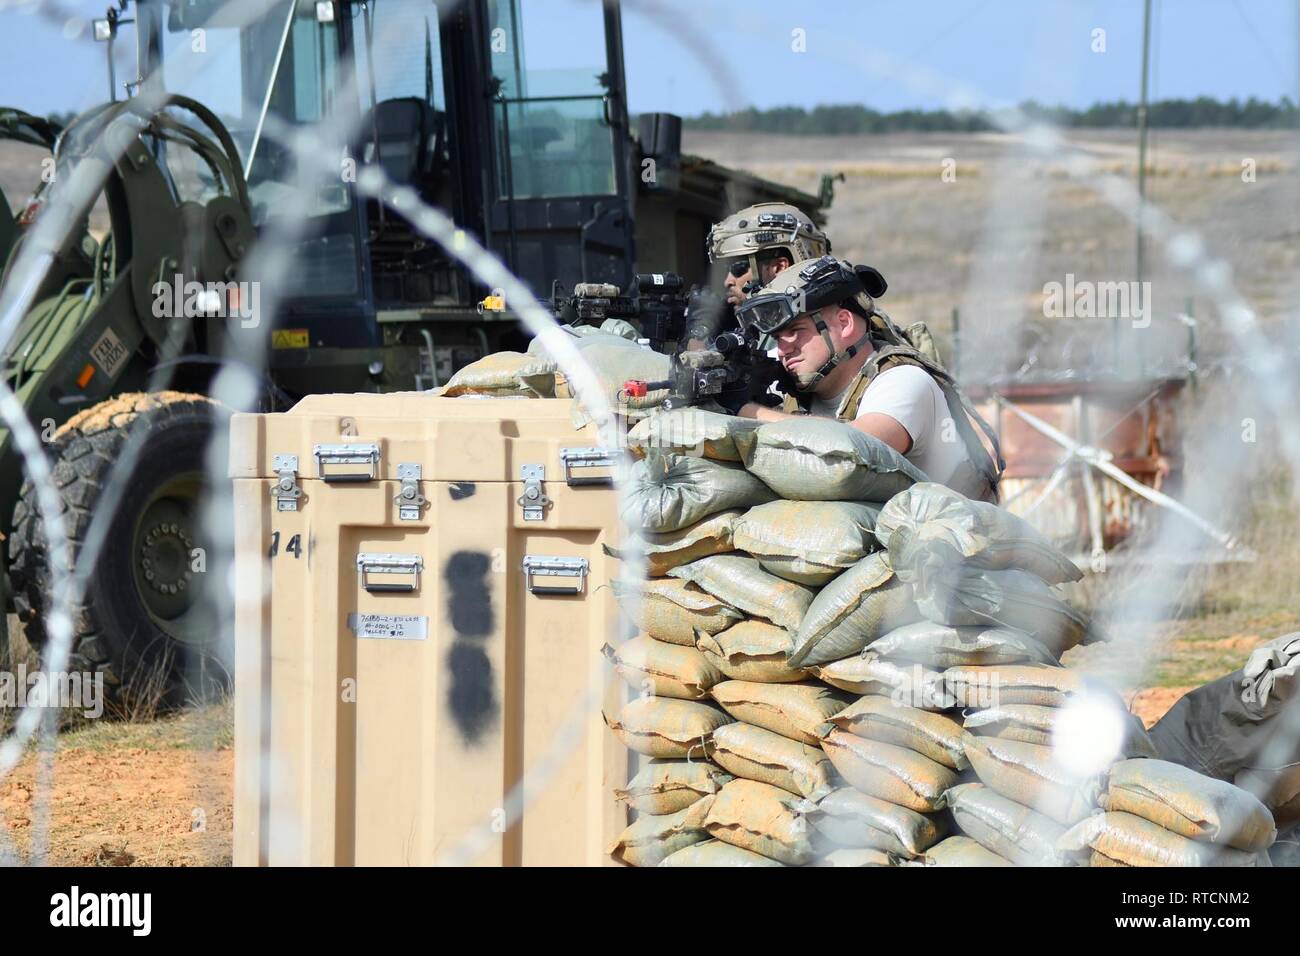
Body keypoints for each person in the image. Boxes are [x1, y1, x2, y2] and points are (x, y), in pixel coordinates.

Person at [730, 255, 1004, 502]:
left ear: (845, 324)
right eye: (778, 338)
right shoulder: (796, 391)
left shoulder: (903, 381)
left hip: (954, 551)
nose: (783, 348)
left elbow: (852, 455)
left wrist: (748, 412)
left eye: (796, 330)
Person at [706, 202, 831, 308]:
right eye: (726, 269)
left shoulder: (811, 322)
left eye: (739, 268)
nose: (728, 282)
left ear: (779, 267)